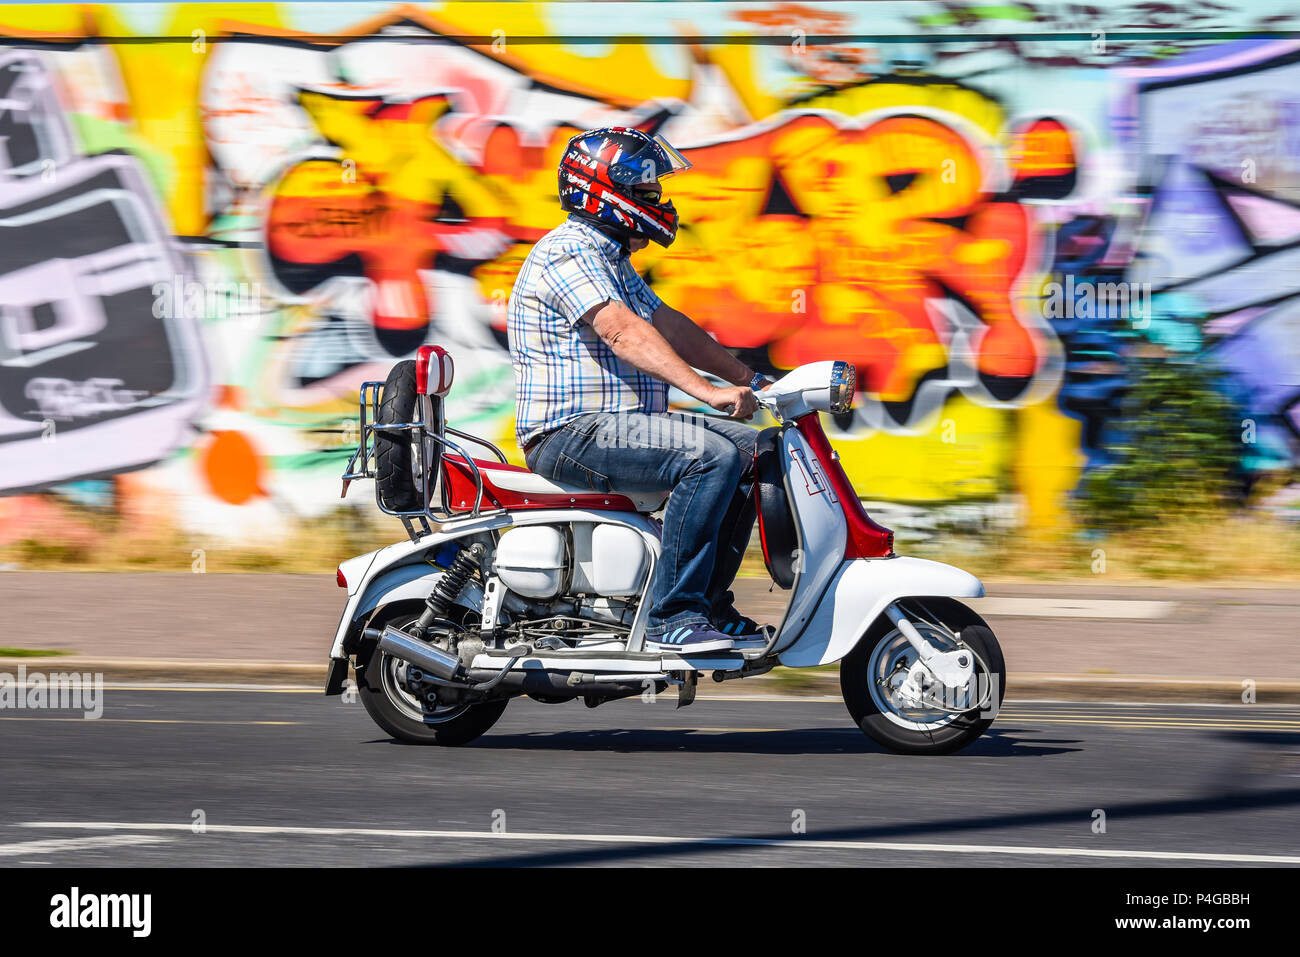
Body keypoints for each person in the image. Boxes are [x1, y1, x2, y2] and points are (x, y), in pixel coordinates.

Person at [507, 127, 774, 652]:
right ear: (606, 188)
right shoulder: (568, 252)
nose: (658, 201)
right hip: (569, 434)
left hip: (618, 429)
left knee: (755, 450)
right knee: (710, 457)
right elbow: (621, 331)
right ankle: (673, 617)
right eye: (647, 191)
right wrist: (705, 391)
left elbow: (669, 327)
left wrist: (751, 380)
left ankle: (708, 604)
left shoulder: (612, 259)